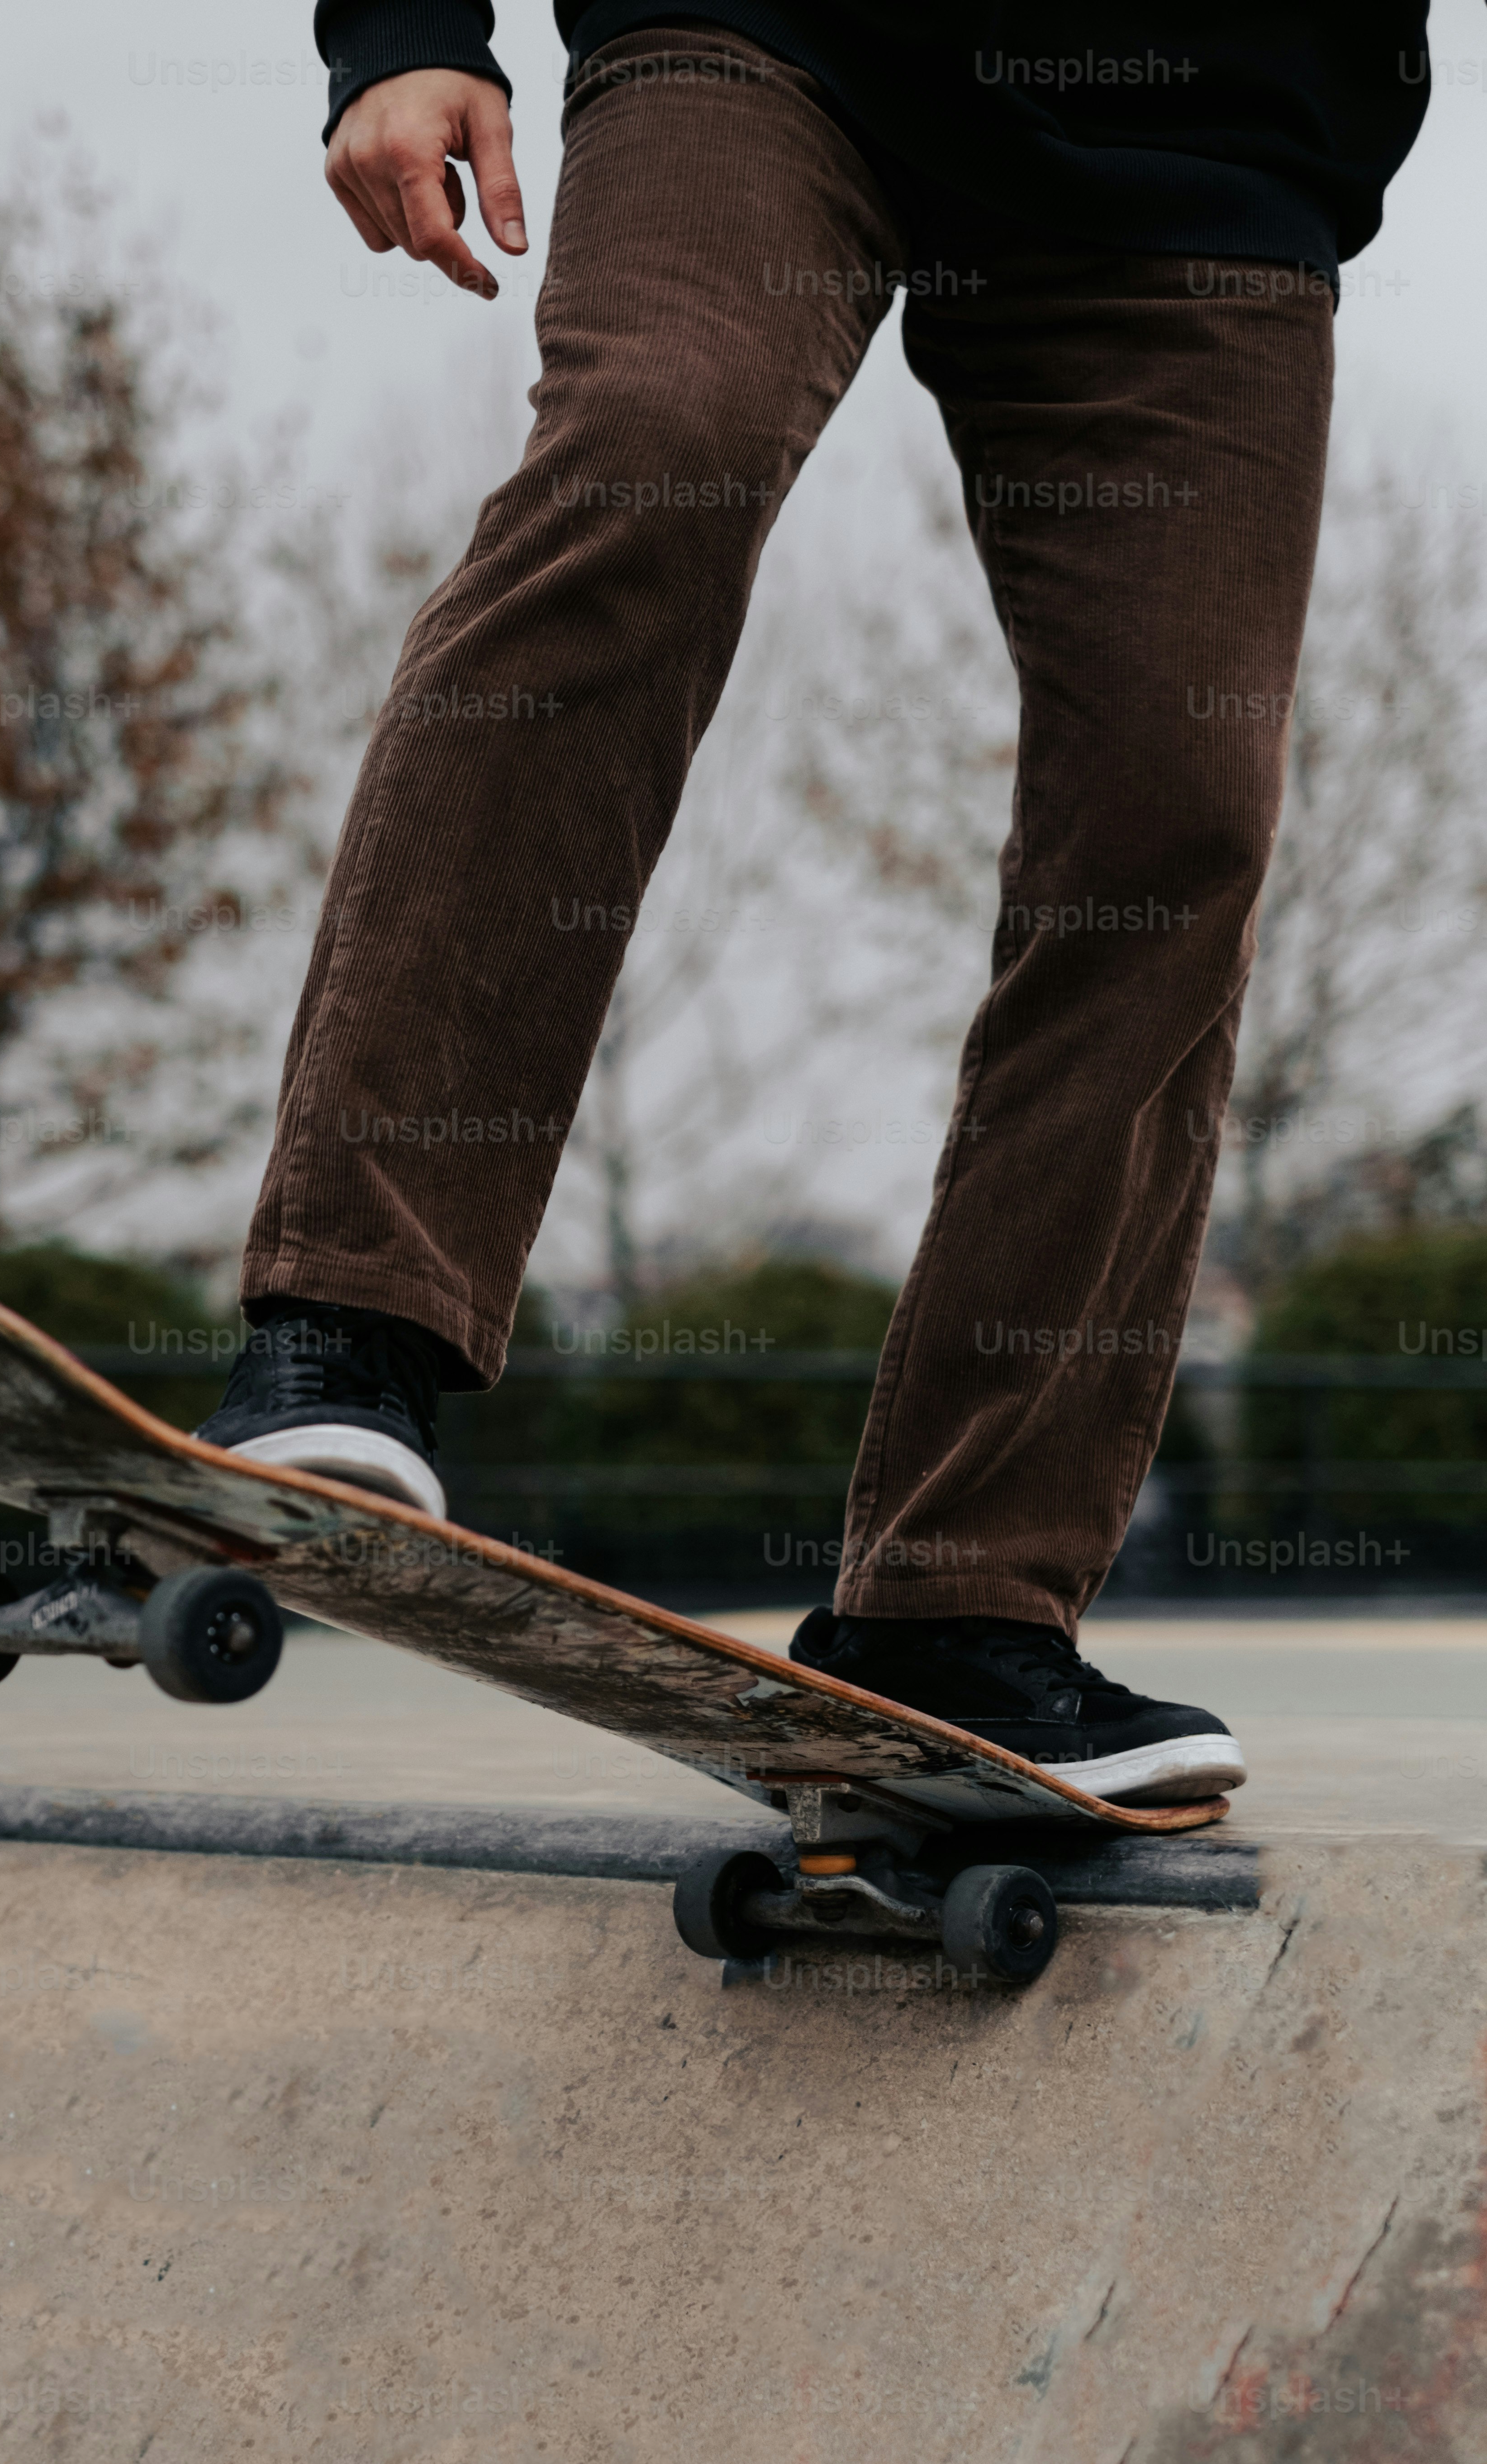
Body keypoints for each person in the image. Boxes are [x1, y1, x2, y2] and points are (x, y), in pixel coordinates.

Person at [201, 9, 1435, 1802]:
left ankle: (959, 1606)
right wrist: (402, 24)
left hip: (1211, 139)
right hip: (770, 32)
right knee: (652, 449)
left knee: (1175, 811)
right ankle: (344, 1329)